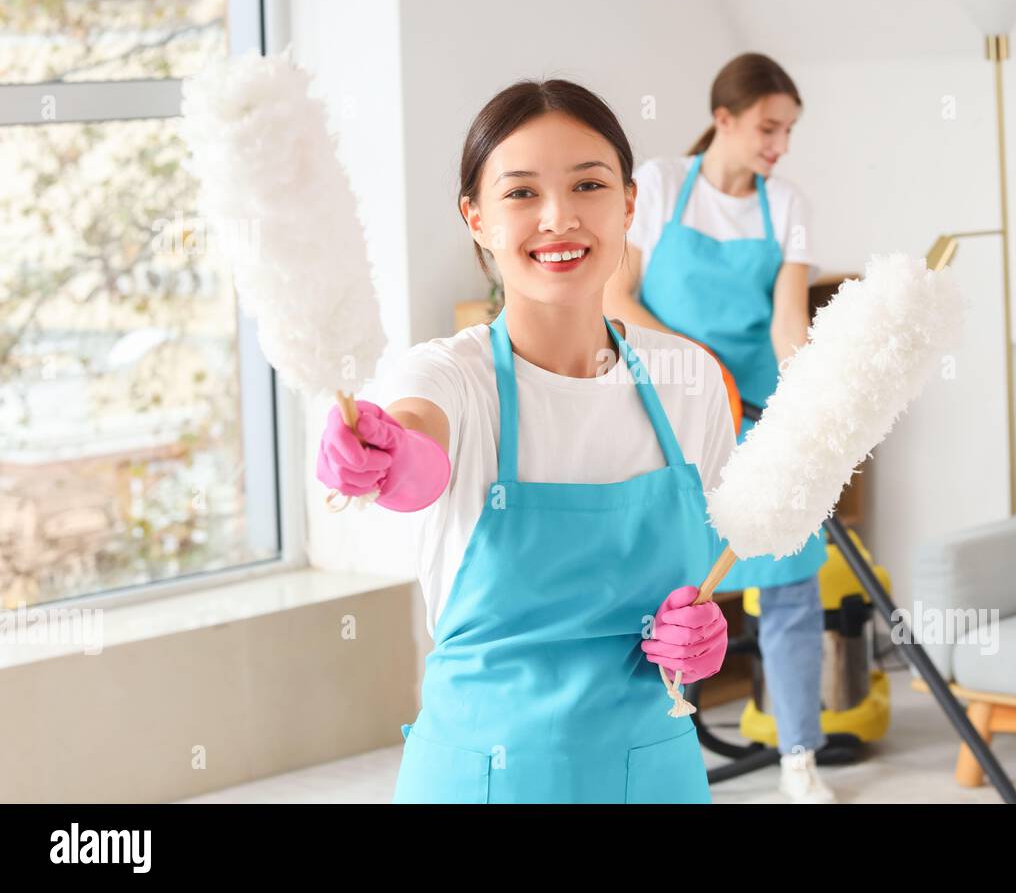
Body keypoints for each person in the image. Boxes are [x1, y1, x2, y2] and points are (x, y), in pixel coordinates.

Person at [316, 79, 737, 803]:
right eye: (520, 194)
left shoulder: (688, 378)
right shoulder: (450, 375)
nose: (559, 218)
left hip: (653, 775)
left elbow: (719, 547)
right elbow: (420, 450)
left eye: (589, 184)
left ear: (630, 203)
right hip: (484, 781)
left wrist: (704, 627)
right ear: (475, 218)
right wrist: (387, 457)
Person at [603, 53, 837, 803]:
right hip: (672, 417)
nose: (781, 144)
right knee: (669, 592)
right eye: (769, 127)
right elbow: (617, 298)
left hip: (763, 421)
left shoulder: (787, 203)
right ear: (724, 119)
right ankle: (659, 753)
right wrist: (700, 368)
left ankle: (799, 758)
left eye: (790, 130)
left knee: (793, 589)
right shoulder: (665, 187)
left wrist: (816, 404)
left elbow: (788, 323)